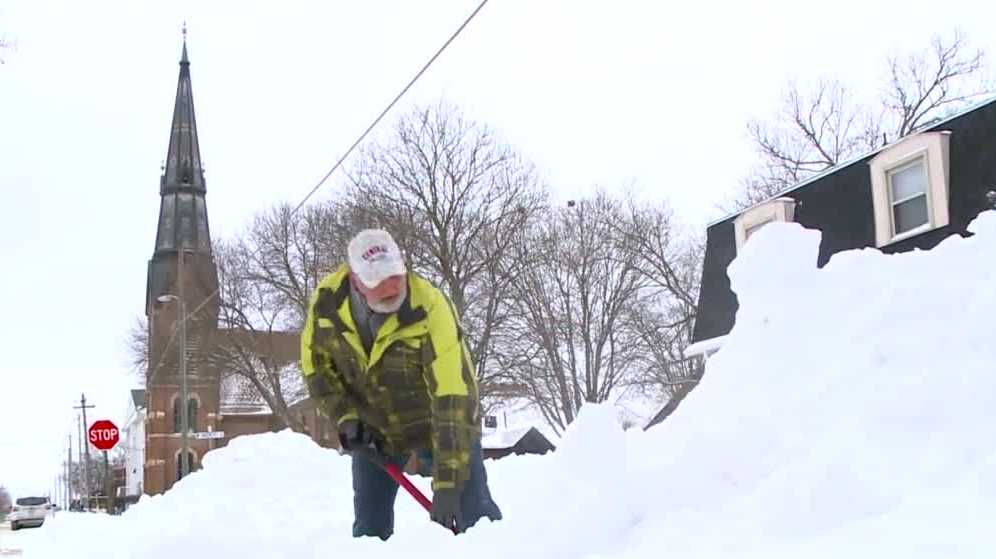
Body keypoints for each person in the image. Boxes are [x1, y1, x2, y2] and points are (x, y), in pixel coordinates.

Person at [300, 228, 502, 540]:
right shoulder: (327, 308)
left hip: (440, 425)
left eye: (395, 275)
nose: (392, 286)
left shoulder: (430, 307)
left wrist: (448, 484)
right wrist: (346, 418)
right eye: (378, 281)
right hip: (375, 429)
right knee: (370, 530)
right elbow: (318, 371)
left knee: (477, 518)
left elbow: (453, 397)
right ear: (355, 280)